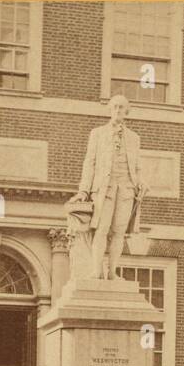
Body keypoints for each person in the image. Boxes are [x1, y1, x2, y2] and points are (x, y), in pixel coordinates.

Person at [69, 94, 148, 279]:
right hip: (104, 189)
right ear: (110, 110)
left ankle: (112, 272)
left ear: (126, 112)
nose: (118, 111)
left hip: (126, 189)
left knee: (119, 232)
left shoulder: (134, 138)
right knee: (102, 229)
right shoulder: (97, 133)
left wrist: (141, 182)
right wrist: (83, 190)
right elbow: (90, 163)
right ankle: (97, 271)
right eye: (115, 107)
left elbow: (136, 166)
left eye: (121, 108)